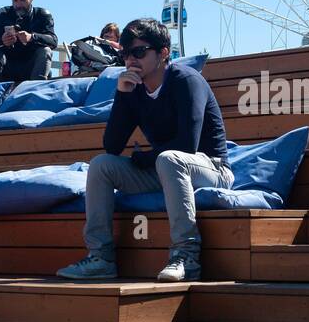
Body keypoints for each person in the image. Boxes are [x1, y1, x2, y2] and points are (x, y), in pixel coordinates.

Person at [57, 17, 232, 283]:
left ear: (163, 53)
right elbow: (112, 146)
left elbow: (187, 145)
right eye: (125, 53)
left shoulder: (186, 80)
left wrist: (147, 157)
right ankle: (101, 258)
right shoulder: (133, 88)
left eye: (139, 52)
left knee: (169, 158)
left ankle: (186, 255)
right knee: (101, 165)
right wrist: (123, 95)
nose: (130, 60)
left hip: (211, 168)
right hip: (164, 168)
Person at [0, 0, 58, 83]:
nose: (18, 5)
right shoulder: (1, 15)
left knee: (45, 51)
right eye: (15, 0)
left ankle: (35, 91)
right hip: (7, 67)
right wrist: (2, 41)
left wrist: (32, 37)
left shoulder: (42, 15)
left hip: (32, 68)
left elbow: (53, 41)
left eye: (23, 0)